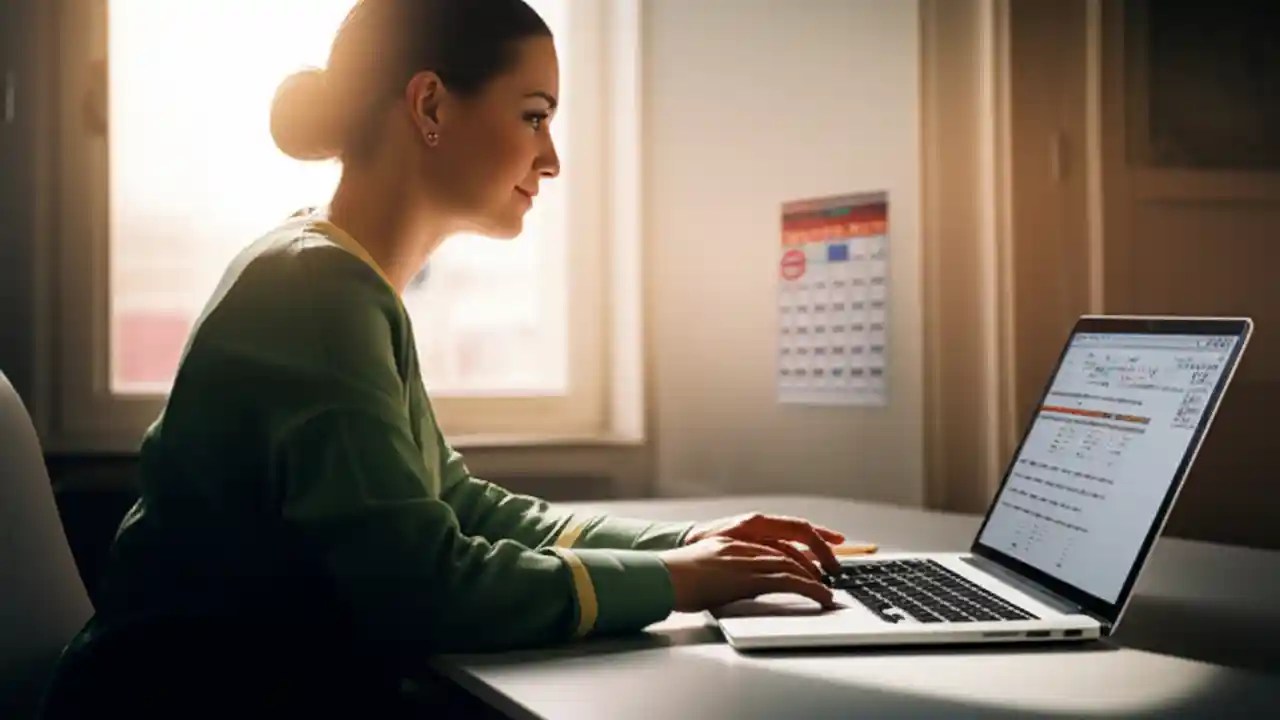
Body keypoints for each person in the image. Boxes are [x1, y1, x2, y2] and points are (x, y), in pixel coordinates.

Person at [41, 0, 849, 715]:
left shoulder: (337, 275)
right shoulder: (318, 292)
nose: (553, 158)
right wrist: (677, 581)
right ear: (429, 104)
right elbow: (422, 584)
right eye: (534, 115)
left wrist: (688, 545)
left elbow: (455, 503)